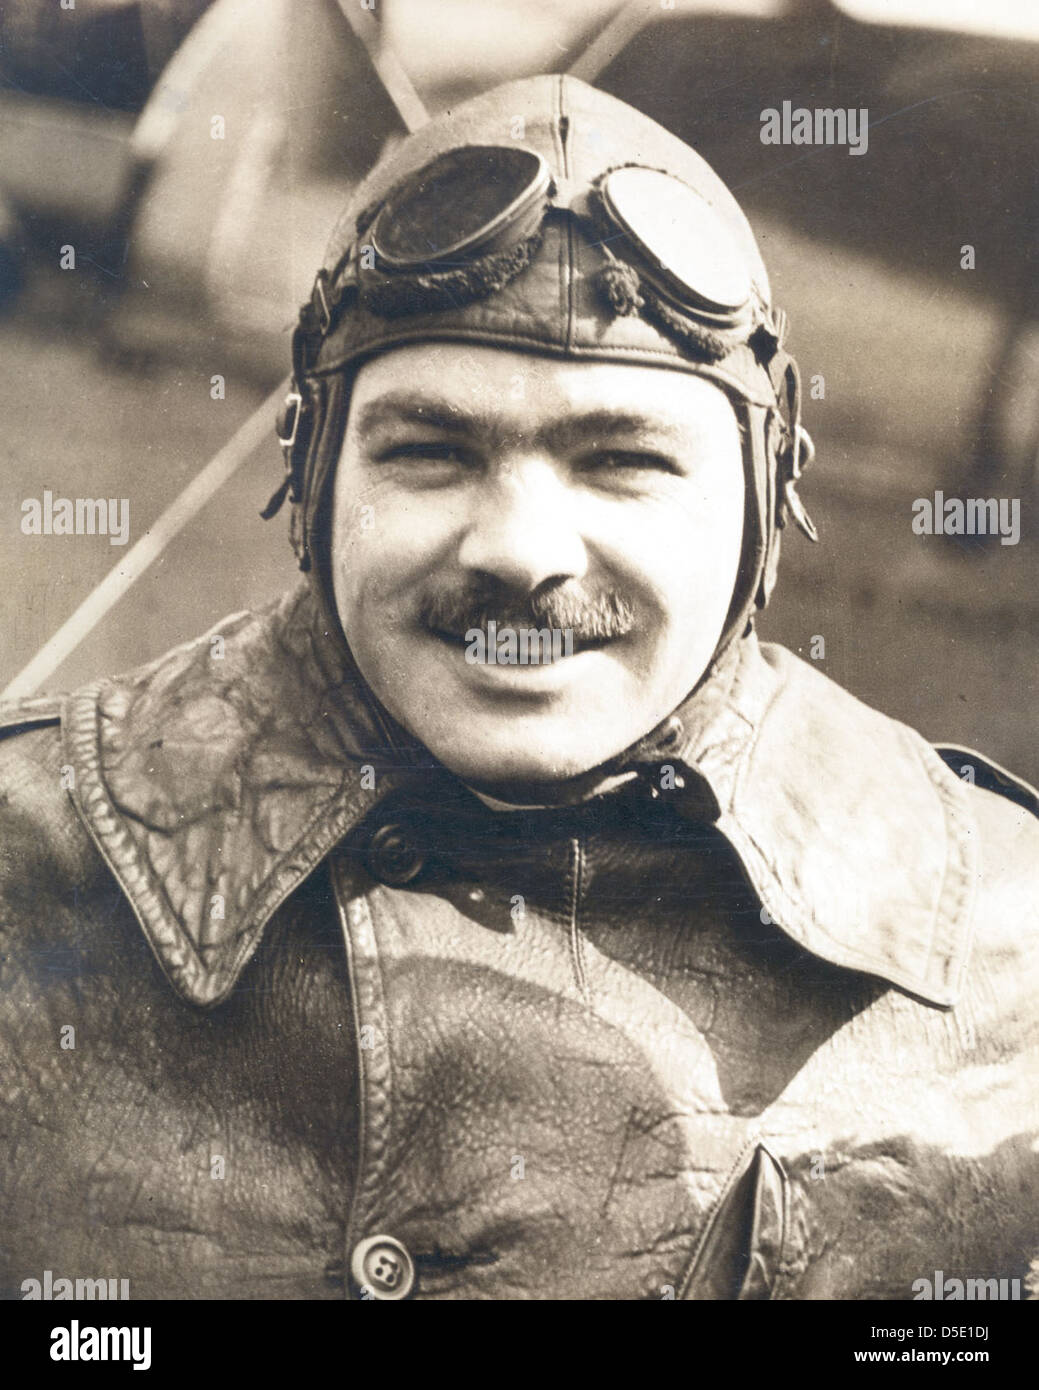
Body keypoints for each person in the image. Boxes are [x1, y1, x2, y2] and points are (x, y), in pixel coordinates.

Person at [2, 75, 1037, 1303]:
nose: (520, 547)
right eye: (432, 451)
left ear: (764, 497)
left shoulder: (1004, 946)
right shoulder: (26, 868)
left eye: (622, 459)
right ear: (315, 471)